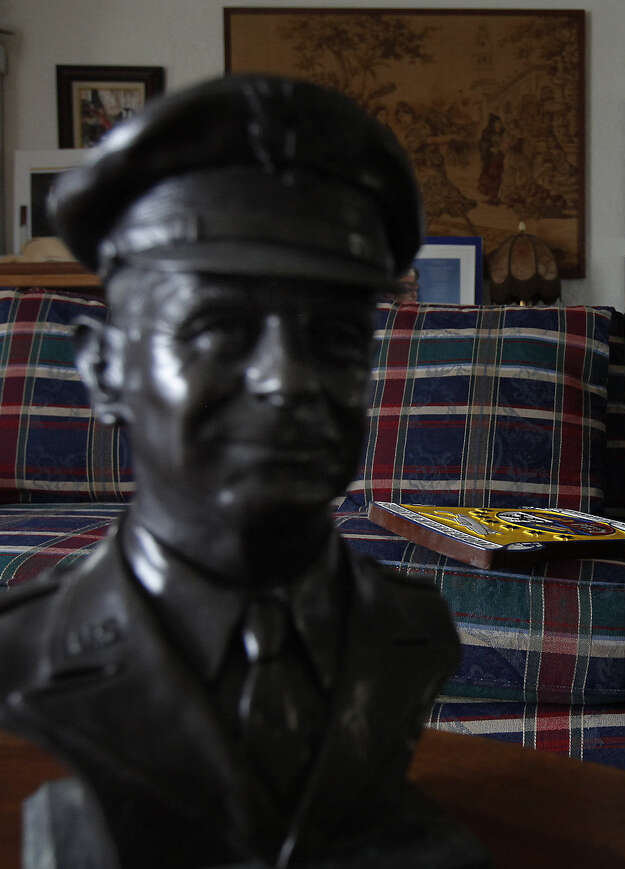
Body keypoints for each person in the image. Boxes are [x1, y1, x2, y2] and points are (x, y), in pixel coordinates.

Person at [0, 75, 471, 868]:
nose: (289, 378)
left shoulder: (413, 632)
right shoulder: (27, 649)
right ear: (105, 370)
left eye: (337, 339)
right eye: (219, 327)